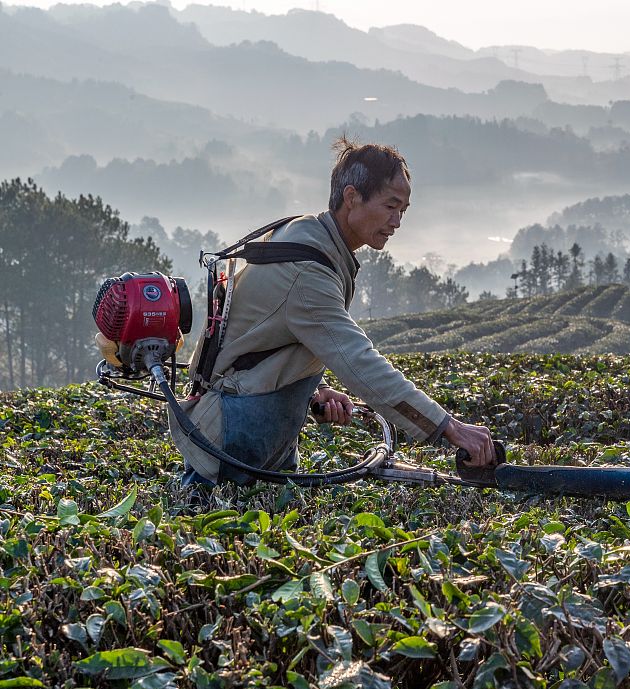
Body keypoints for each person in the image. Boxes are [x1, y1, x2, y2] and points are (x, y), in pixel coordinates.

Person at [169, 139, 495, 485]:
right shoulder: (309, 269)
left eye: (403, 210)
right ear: (352, 197)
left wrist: (314, 390)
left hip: (240, 427)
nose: (397, 221)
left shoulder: (310, 235)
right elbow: (360, 362)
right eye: (390, 206)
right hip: (233, 434)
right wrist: (448, 427)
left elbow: (266, 335)